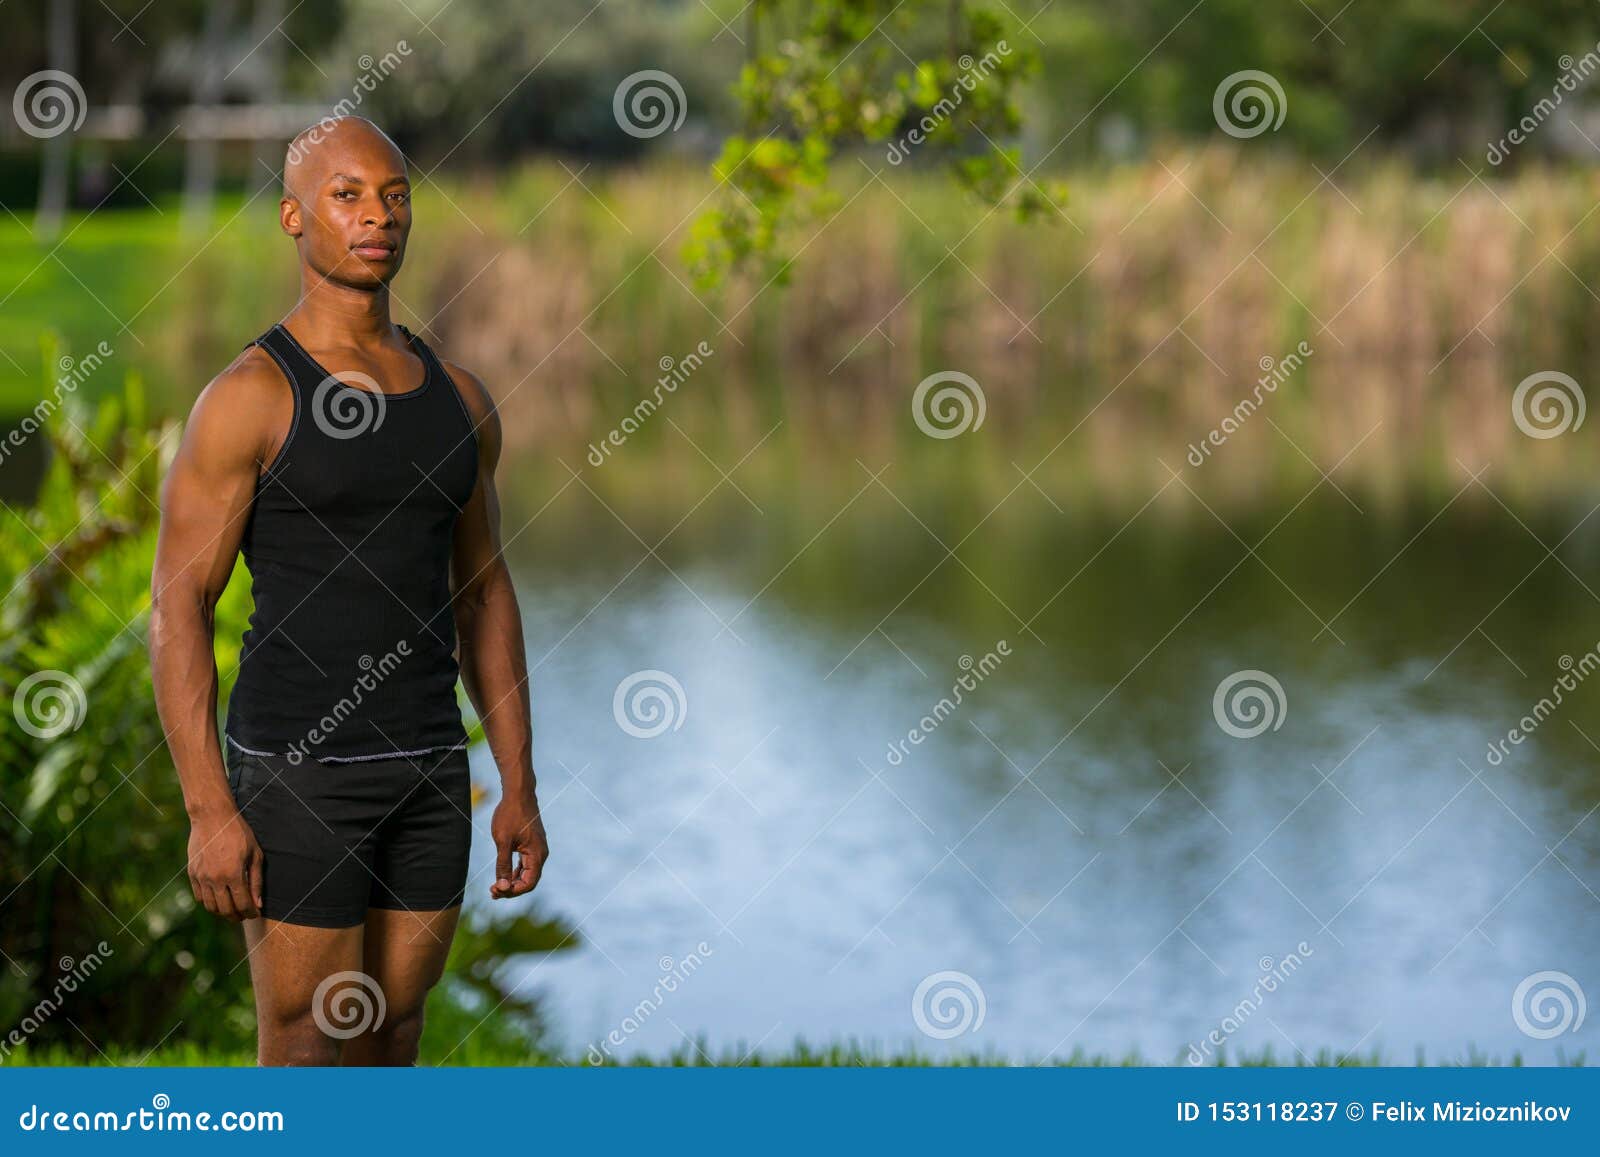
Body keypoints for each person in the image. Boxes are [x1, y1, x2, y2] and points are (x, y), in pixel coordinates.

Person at [148, 116, 549, 1065]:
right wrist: (210, 808)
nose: (379, 215)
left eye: (396, 195)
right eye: (348, 195)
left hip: (426, 766)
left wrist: (519, 785)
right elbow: (177, 610)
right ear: (294, 217)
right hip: (299, 771)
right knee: (305, 1040)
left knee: (394, 1031)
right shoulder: (251, 396)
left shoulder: (459, 398)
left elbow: (485, 595)